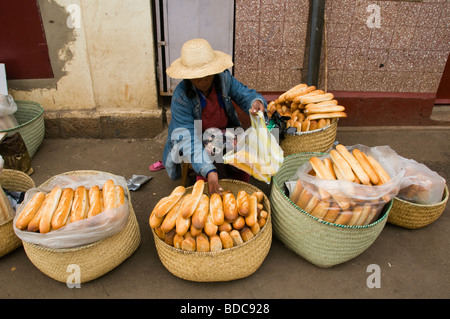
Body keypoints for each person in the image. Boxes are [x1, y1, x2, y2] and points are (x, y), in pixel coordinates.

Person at [162, 38, 267, 194]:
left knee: (245, 146)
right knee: (212, 152)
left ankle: (240, 188)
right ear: (189, 76)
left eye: (207, 75)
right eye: (198, 77)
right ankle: (209, 186)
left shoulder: (224, 78)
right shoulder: (181, 97)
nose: (204, 80)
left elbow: (245, 94)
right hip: (197, 138)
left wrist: (255, 102)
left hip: (222, 131)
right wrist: (209, 170)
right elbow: (190, 141)